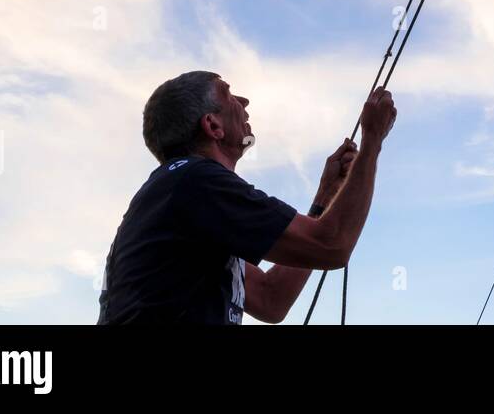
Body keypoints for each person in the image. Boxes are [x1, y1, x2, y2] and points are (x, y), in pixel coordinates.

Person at [97, 70, 395, 324]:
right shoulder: (196, 182)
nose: (243, 102)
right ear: (212, 126)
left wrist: (326, 196)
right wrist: (372, 139)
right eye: (228, 94)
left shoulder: (183, 193)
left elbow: (270, 298)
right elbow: (332, 246)